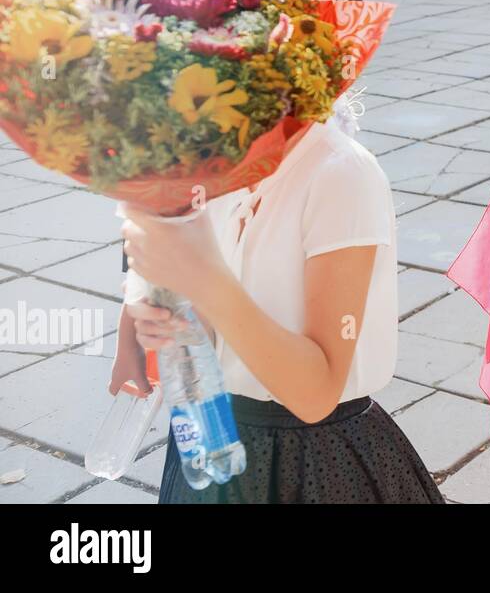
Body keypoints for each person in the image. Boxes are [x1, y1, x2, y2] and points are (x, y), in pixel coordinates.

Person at [116, 105, 443, 504]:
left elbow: (314, 395)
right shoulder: (216, 158)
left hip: (315, 464)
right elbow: (213, 326)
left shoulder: (341, 175)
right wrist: (159, 317)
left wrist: (206, 280)